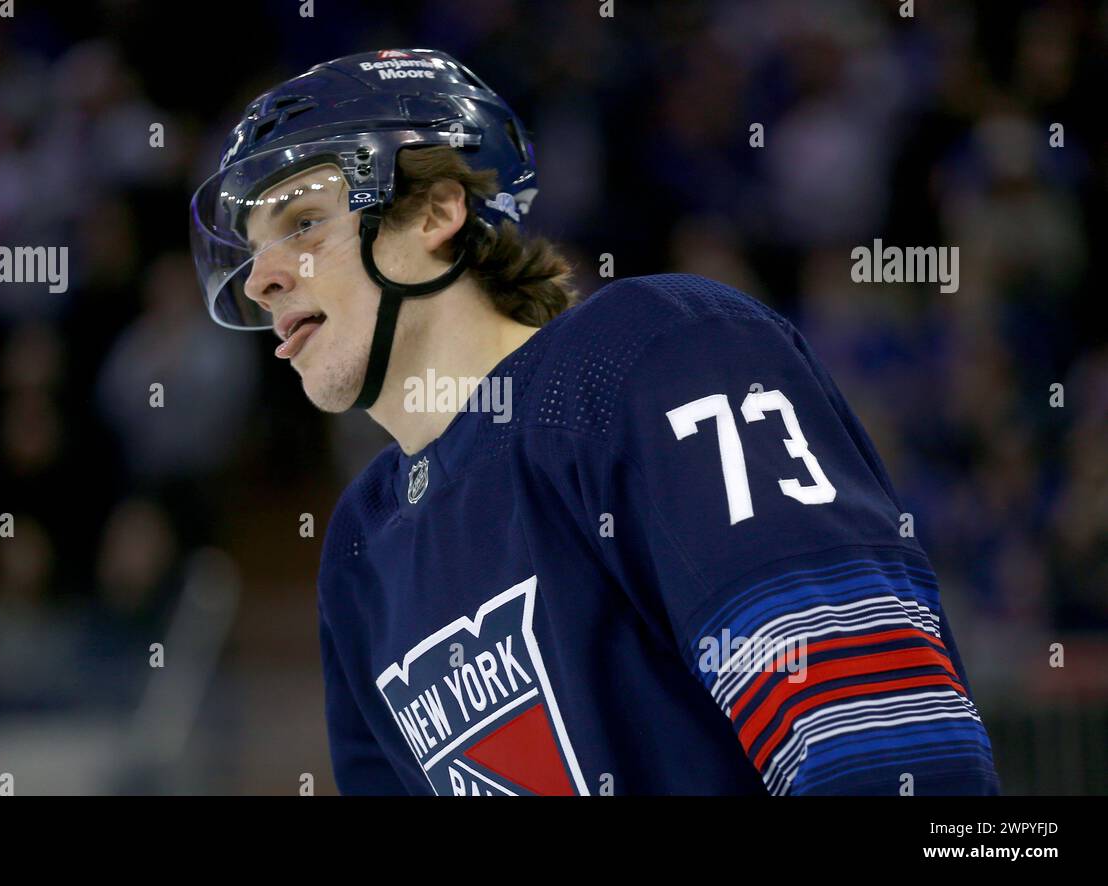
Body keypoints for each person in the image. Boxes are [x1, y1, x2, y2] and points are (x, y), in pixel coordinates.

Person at [190, 49, 1000, 796]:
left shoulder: (657, 349)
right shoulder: (361, 549)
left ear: (437, 211)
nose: (261, 280)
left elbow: (882, 743)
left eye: (302, 224)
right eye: (252, 249)